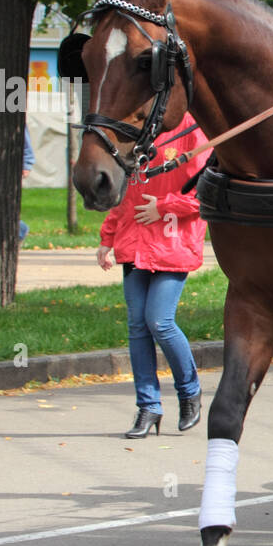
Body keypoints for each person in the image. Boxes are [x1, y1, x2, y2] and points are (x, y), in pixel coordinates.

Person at [97, 113, 211, 438]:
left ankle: (189, 391)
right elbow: (126, 192)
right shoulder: (136, 129)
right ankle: (148, 407)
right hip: (134, 242)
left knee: (159, 321)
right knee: (137, 326)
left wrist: (163, 207)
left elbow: (204, 192)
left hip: (172, 243)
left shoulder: (191, 129)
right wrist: (107, 239)